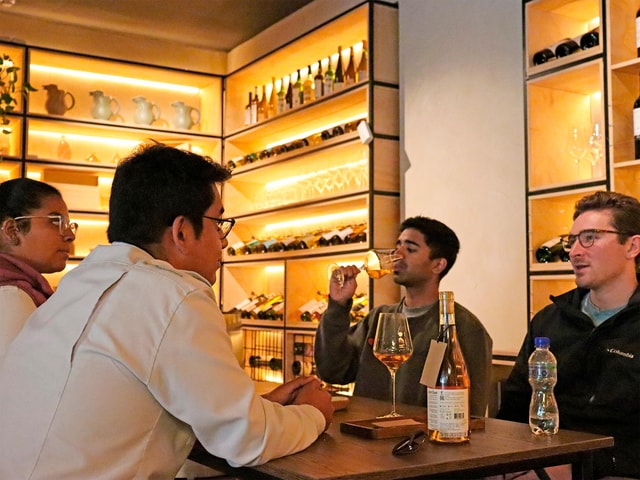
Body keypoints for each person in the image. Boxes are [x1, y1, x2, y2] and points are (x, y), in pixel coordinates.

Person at [0, 144, 334, 479]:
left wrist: (259, 408)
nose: (224, 241)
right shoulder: (176, 295)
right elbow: (247, 439)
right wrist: (313, 412)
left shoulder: (81, 282)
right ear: (182, 232)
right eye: (218, 223)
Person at [498, 191, 640, 479]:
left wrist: (580, 468)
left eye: (590, 238)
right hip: (542, 461)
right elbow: (514, 409)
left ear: (632, 246)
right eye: (572, 240)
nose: (575, 252)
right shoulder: (549, 320)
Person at [314, 216, 493, 417]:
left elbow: (471, 412)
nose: (397, 254)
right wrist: (338, 306)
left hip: (421, 436)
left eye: (410, 249)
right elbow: (332, 371)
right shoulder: (379, 318)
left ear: (438, 265)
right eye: (397, 246)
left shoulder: (463, 327)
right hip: (366, 430)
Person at [0, 178, 76, 365]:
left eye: (68, 224)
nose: (70, 235)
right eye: (55, 221)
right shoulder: (11, 296)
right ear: (12, 230)